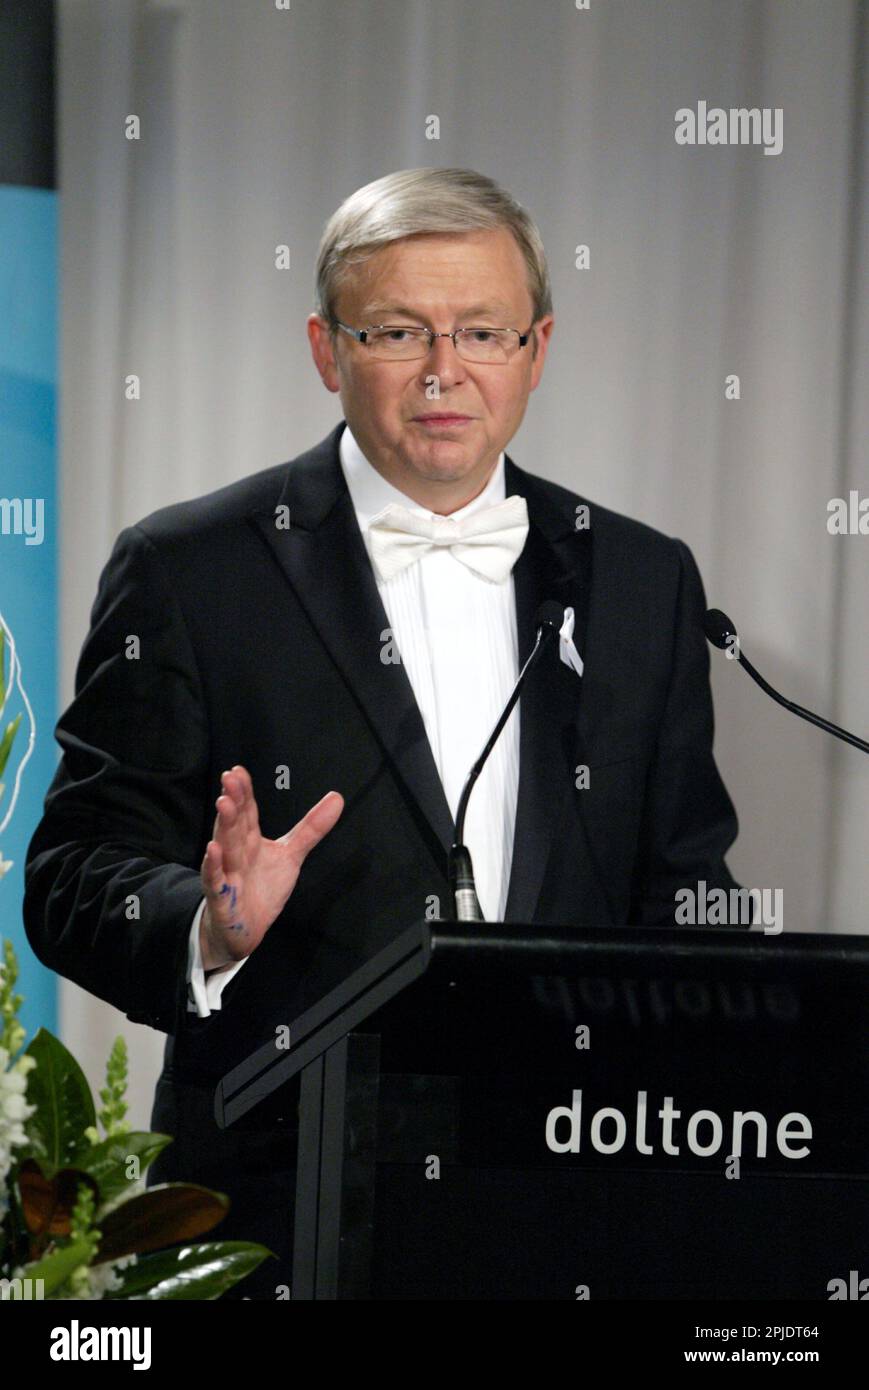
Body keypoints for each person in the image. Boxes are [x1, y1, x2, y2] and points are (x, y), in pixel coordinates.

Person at [23, 167, 740, 1298]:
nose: (444, 370)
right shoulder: (190, 569)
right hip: (274, 1212)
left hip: (564, 1206)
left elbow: (689, 885)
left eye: (483, 331)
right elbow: (69, 875)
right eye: (399, 329)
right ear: (325, 348)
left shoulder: (641, 580)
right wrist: (208, 928)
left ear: (536, 348)